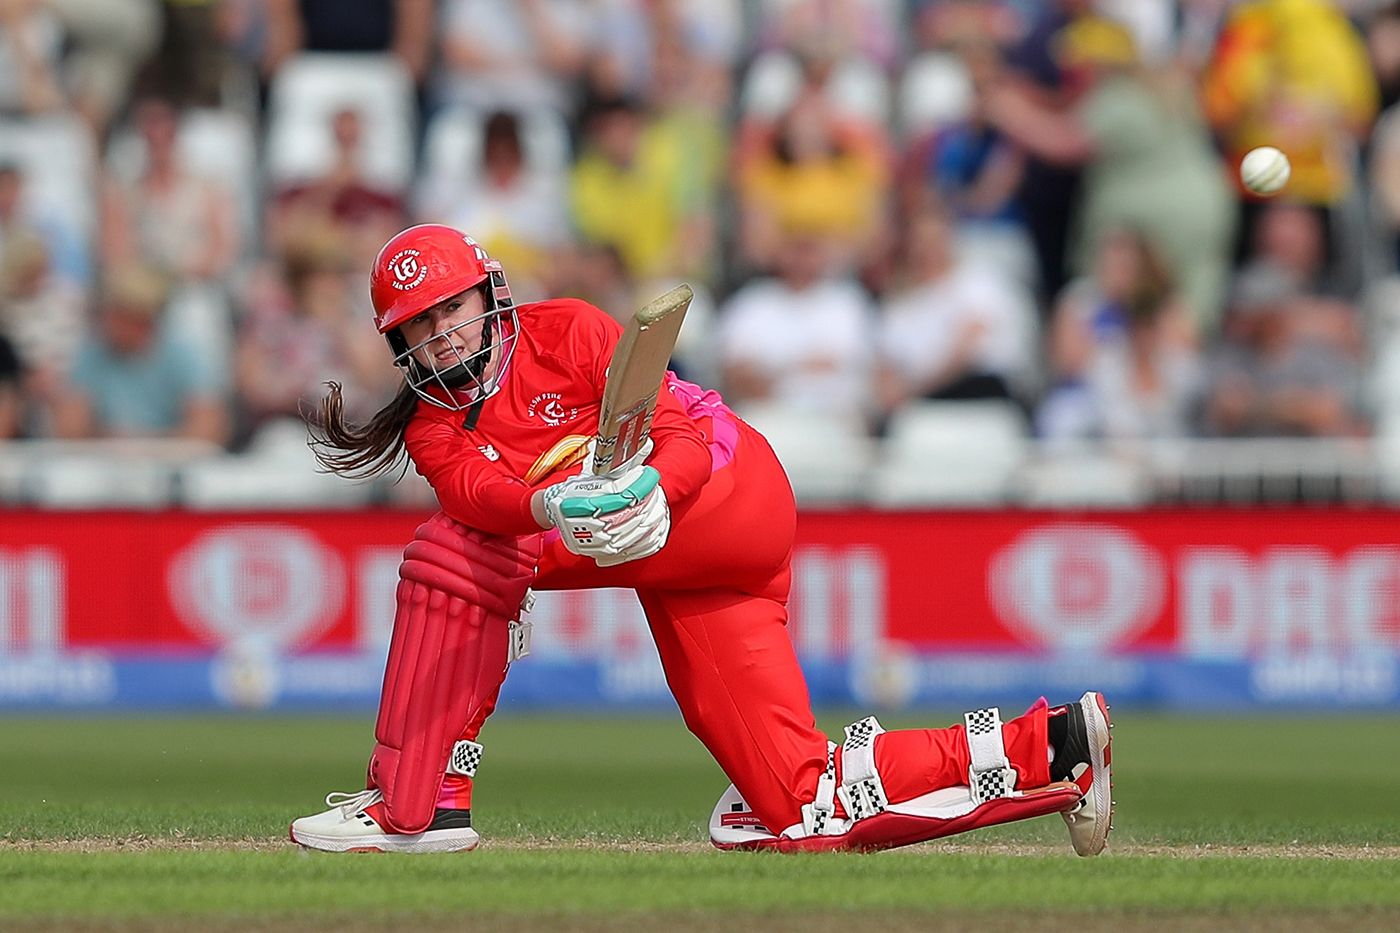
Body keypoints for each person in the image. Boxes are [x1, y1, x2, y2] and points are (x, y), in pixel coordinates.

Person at [289, 223, 1114, 855]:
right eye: (419, 325)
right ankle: (1053, 747)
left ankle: (417, 798)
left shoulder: (567, 329)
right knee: (797, 804)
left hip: (727, 496)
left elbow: (680, 425)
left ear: (489, 295)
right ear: (397, 342)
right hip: (679, 566)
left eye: (452, 309)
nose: (442, 335)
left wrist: (655, 487)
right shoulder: (434, 425)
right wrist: (552, 508)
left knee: (451, 553)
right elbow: (479, 493)